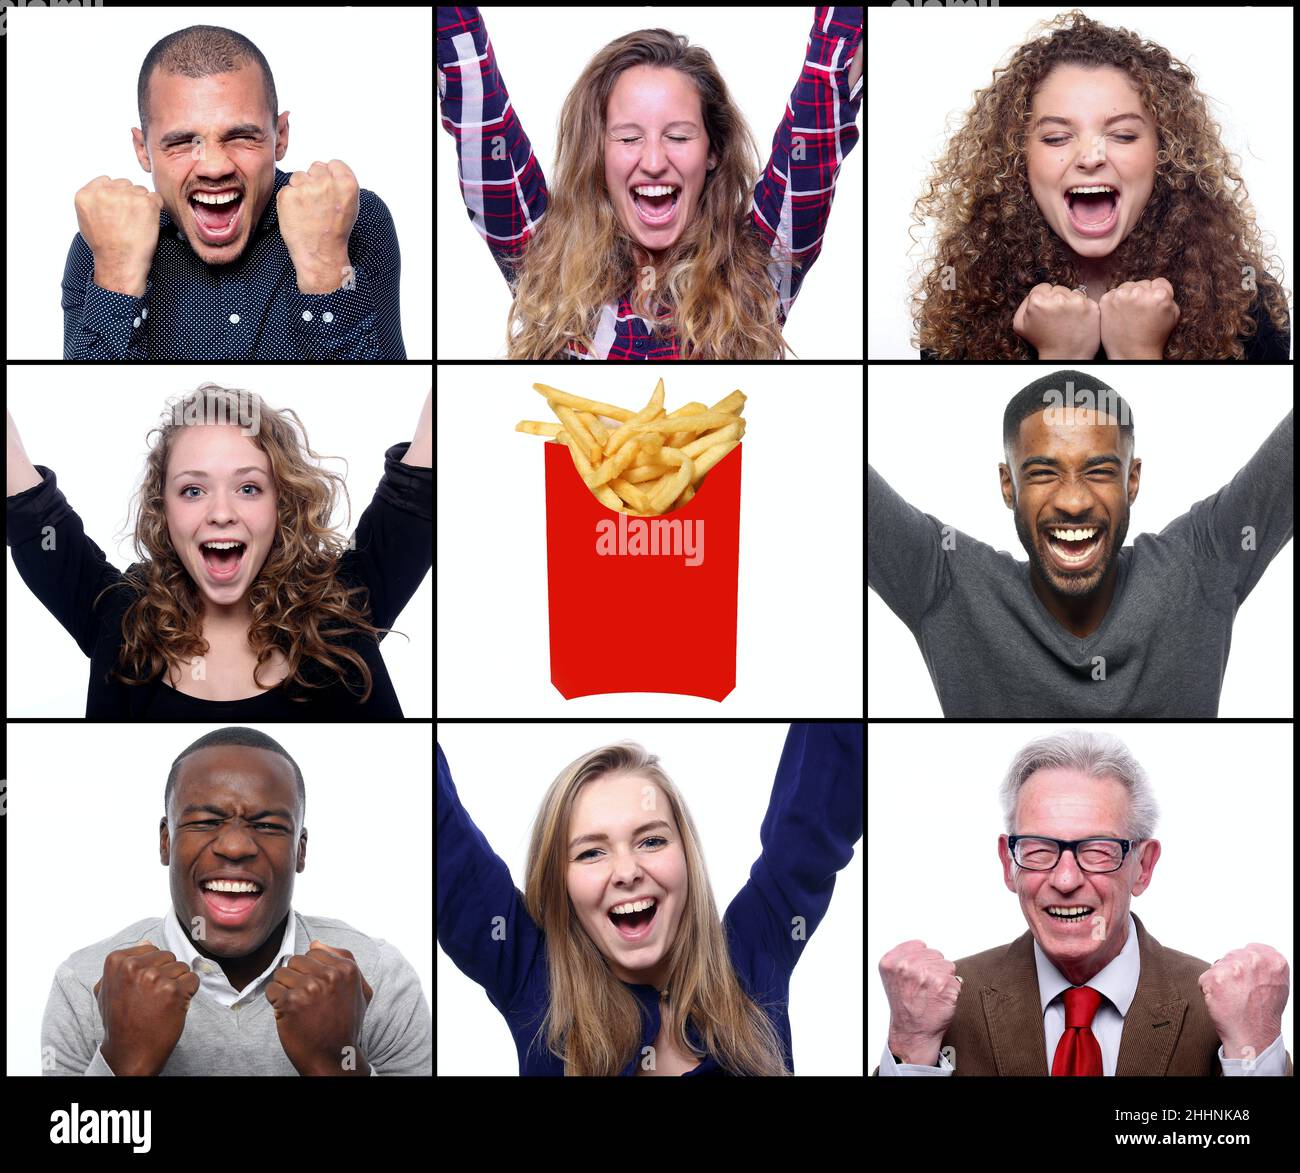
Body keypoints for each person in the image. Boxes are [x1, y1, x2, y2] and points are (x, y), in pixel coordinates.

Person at [437, 6, 862, 358]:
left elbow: (824, 93)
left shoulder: (759, 269)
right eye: (628, 137)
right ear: (598, 152)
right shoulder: (549, 261)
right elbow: (473, 90)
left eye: (678, 136)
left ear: (713, 151)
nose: (654, 161)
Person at [437, 724, 862, 1075]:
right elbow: (440, 834)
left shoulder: (754, 951)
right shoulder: (532, 978)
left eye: (652, 840)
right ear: (559, 882)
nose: (626, 872)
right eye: (591, 852)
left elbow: (819, 797)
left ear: (686, 856)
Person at [867, 371, 1293, 716]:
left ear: (1132, 480)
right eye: (1043, 473)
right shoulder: (945, 584)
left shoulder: (1202, 563)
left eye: (1100, 471)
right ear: (1007, 485)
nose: (1073, 501)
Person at [875, 730, 1292, 1076]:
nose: (1066, 879)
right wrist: (912, 1046)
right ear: (1008, 864)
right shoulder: (941, 1004)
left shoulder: (1221, 1011)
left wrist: (1254, 1051)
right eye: (1039, 849)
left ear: (1142, 867)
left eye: (1098, 850)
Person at [6, 384, 432, 717]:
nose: (222, 513)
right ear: (164, 508)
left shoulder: (346, 604)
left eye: (248, 488)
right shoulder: (118, 619)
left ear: (280, 503)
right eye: (193, 490)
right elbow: (29, 507)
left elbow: (421, 475)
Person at [40, 726, 433, 1075]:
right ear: (166, 841)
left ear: (300, 850)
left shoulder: (377, 977)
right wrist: (124, 1063)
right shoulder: (83, 984)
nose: (234, 846)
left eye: (267, 826)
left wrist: (334, 1064)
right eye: (206, 822)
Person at [911, 10, 1290, 360]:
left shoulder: (1245, 301)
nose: (1090, 156)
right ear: (1017, 160)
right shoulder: (961, 301)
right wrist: (1060, 354)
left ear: (1167, 154)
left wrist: (1139, 351)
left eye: (1123, 135)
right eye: (1057, 138)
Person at [62, 24, 406, 360]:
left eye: (241, 137)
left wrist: (325, 266)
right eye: (183, 142)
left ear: (281, 135)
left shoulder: (351, 219)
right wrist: (117, 274)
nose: (214, 167)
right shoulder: (100, 245)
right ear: (142, 150)